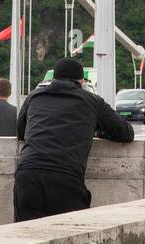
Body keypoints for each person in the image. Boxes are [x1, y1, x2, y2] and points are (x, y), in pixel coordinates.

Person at [13, 57, 134, 222]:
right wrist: (98, 132)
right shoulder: (92, 101)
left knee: (25, 238)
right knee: (71, 239)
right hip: (66, 177)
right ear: (81, 81)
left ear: (53, 79)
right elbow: (126, 132)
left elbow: (21, 132)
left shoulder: (34, 97)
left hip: (28, 175)